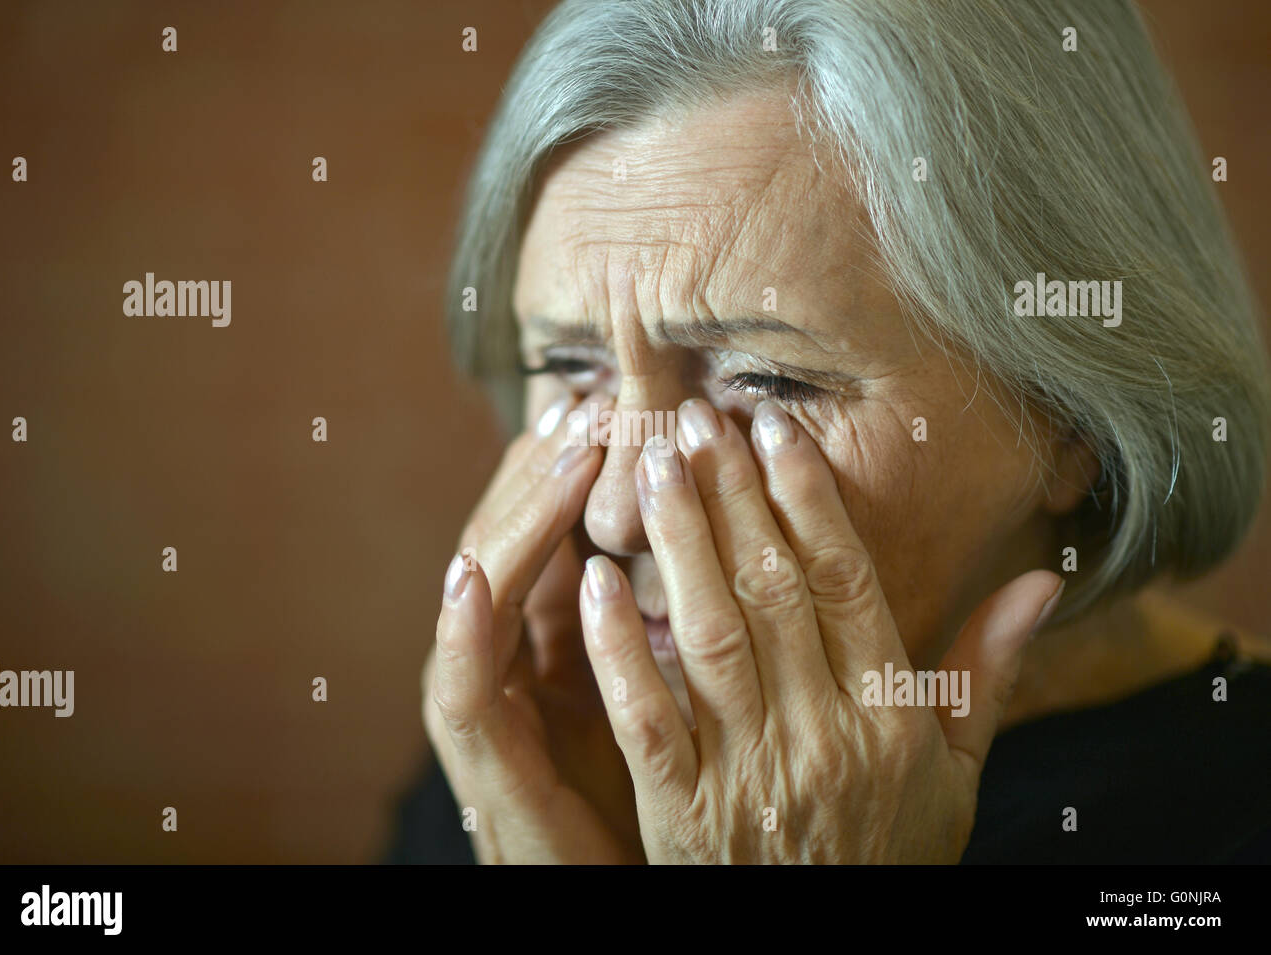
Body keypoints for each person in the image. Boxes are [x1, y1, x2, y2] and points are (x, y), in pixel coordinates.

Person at [391, 0, 1271, 863]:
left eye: (771, 382)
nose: (618, 511)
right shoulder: (522, 768)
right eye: (574, 369)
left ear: (1075, 415)